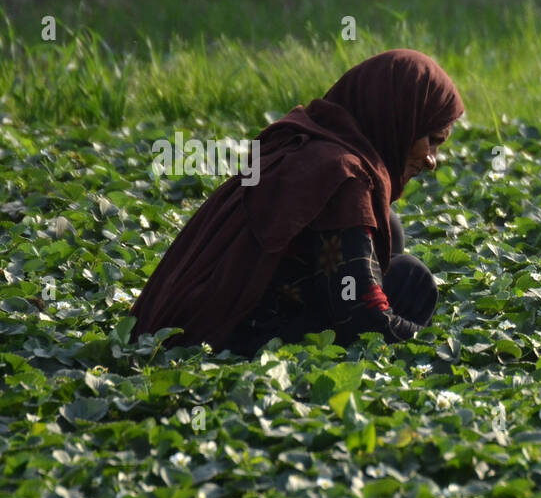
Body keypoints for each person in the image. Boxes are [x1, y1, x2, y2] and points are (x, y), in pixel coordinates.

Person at [129, 49, 464, 354]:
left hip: (180, 324)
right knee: (412, 280)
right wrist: (437, 350)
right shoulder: (346, 178)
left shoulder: (314, 141)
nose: (433, 160)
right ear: (399, 119)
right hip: (229, 342)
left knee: (388, 228)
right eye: (431, 141)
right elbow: (362, 320)